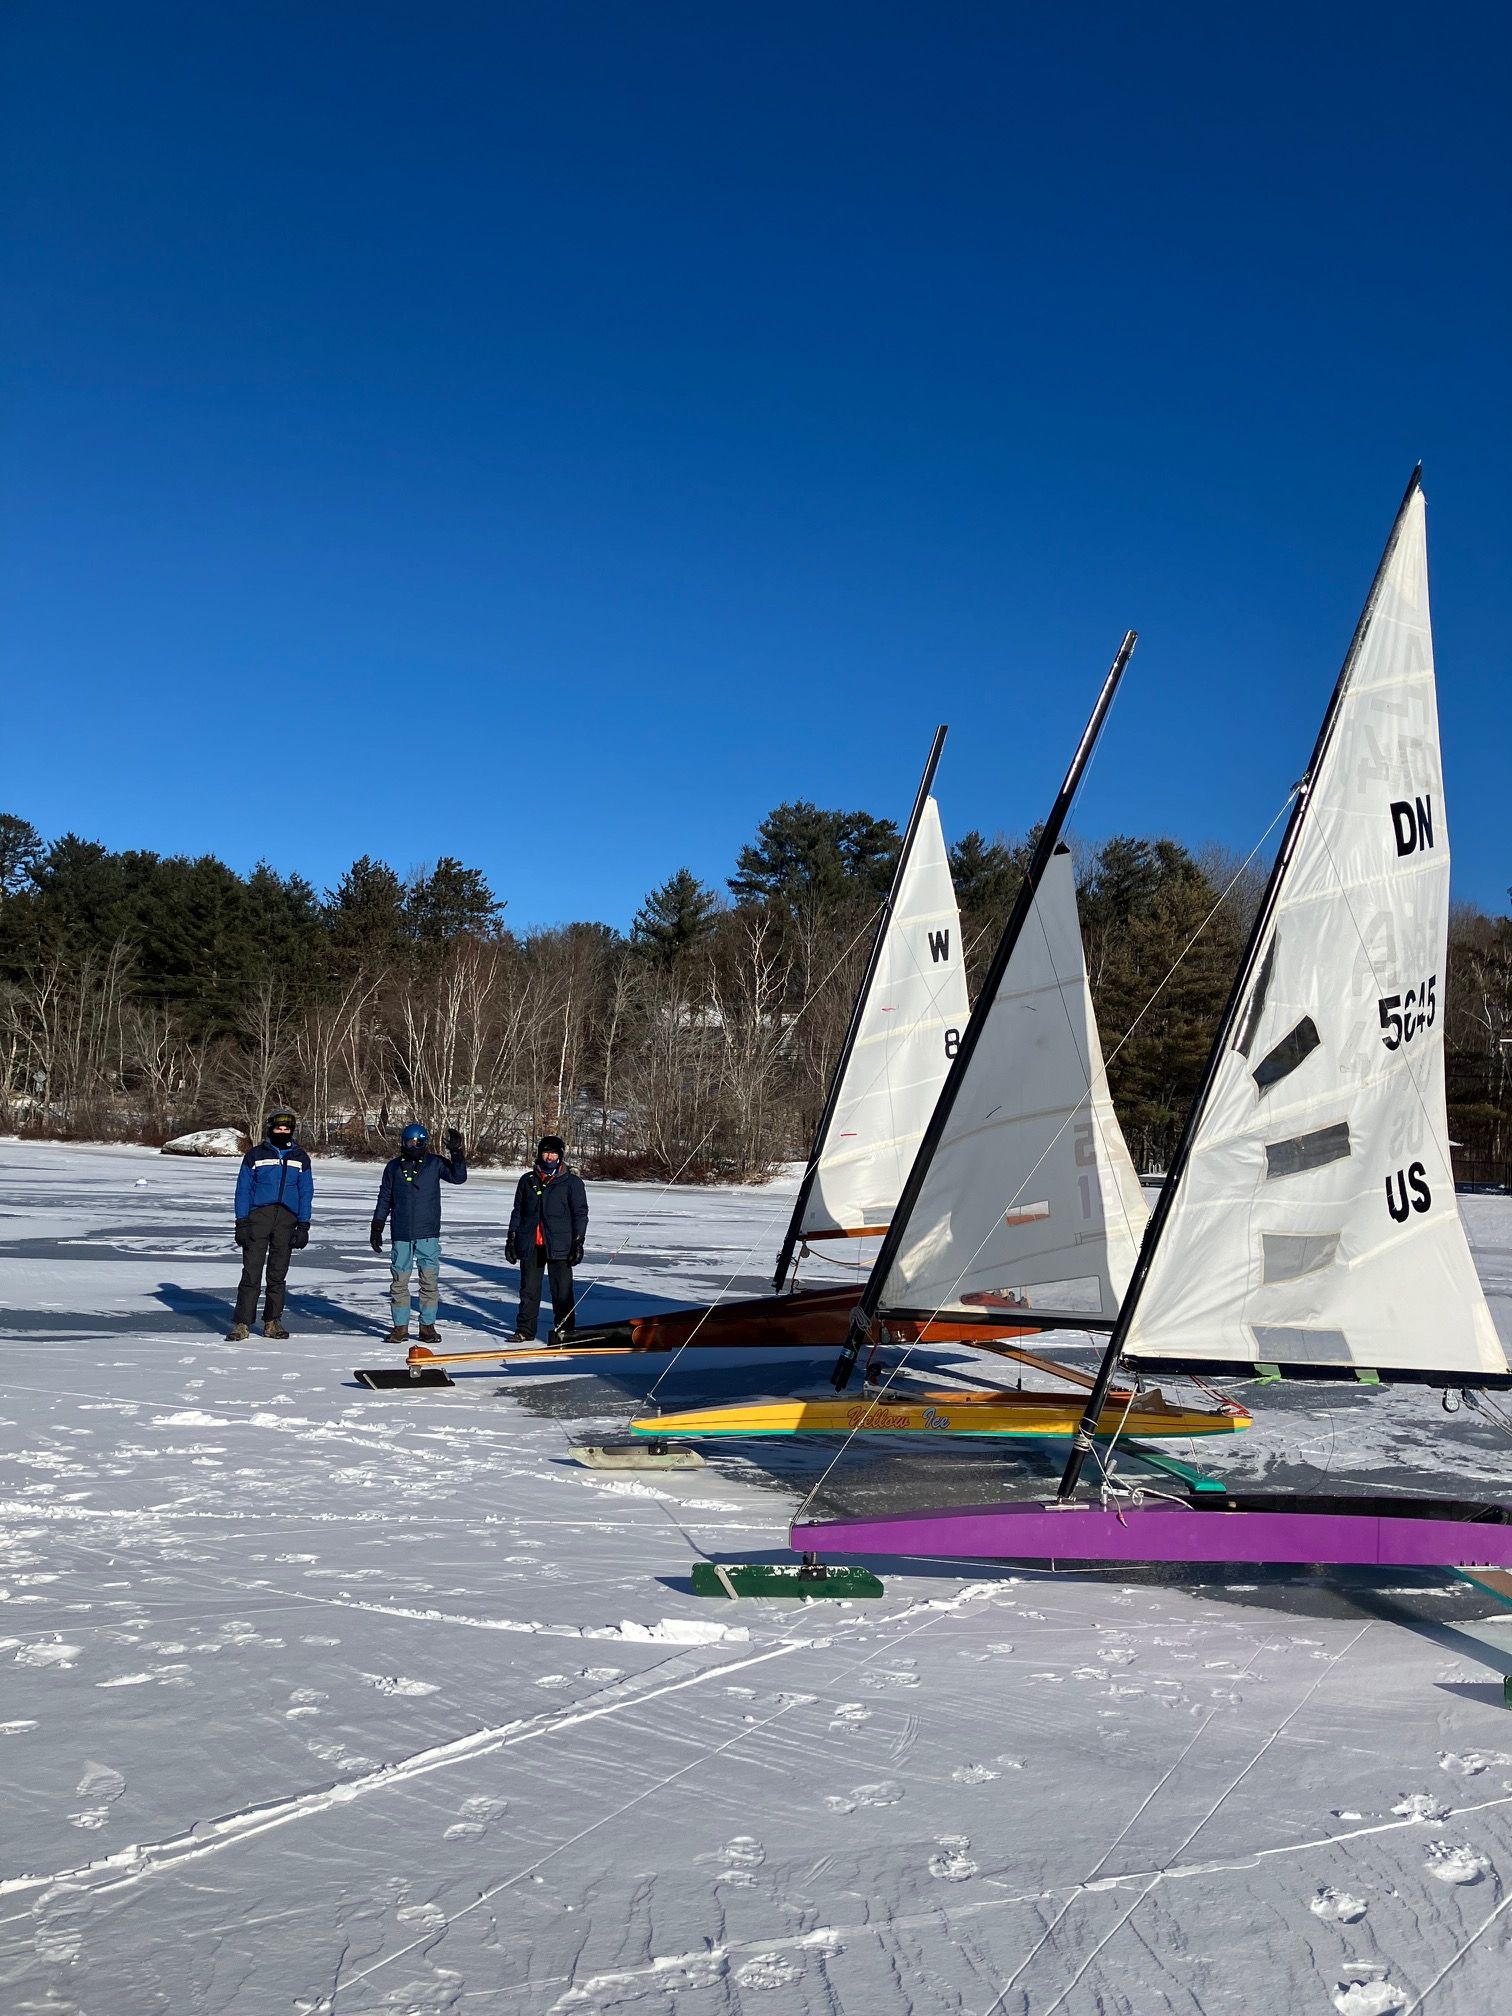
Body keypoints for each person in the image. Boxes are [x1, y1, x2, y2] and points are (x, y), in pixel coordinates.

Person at [371, 1123, 467, 1344]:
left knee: (429, 1281)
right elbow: (385, 1197)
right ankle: (400, 1327)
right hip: (401, 1233)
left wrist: (456, 1152)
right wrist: (377, 1226)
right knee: (399, 1282)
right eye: (411, 1142)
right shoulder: (393, 1167)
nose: (415, 1146)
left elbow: (458, 1177)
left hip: (427, 1233)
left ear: (425, 1143)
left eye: (419, 1142)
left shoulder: (435, 1163)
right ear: (403, 1143)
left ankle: (427, 1327)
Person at [229, 1108, 314, 1341]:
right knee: (251, 1272)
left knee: (277, 1274)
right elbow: (243, 1189)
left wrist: (303, 1225)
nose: (283, 1131)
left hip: (287, 1219)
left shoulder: (300, 1157)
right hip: (258, 1218)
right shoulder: (255, 1155)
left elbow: (306, 1191)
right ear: (271, 1128)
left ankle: (272, 1322)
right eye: (279, 1128)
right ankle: (242, 1323)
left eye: (287, 1129)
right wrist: (242, 1222)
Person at [506, 1135, 587, 1342]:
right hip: (531, 1243)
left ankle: (565, 1331)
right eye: (546, 1152)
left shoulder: (572, 1183)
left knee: (562, 1292)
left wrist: (578, 1241)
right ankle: (525, 1330)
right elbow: (518, 1211)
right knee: (529, 1290)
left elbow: (580, 1213)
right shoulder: (527, 1180)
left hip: (560, 1245)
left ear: (560, 1156)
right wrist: (512, 1238)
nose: (549, 1157)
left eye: (553, 1153)